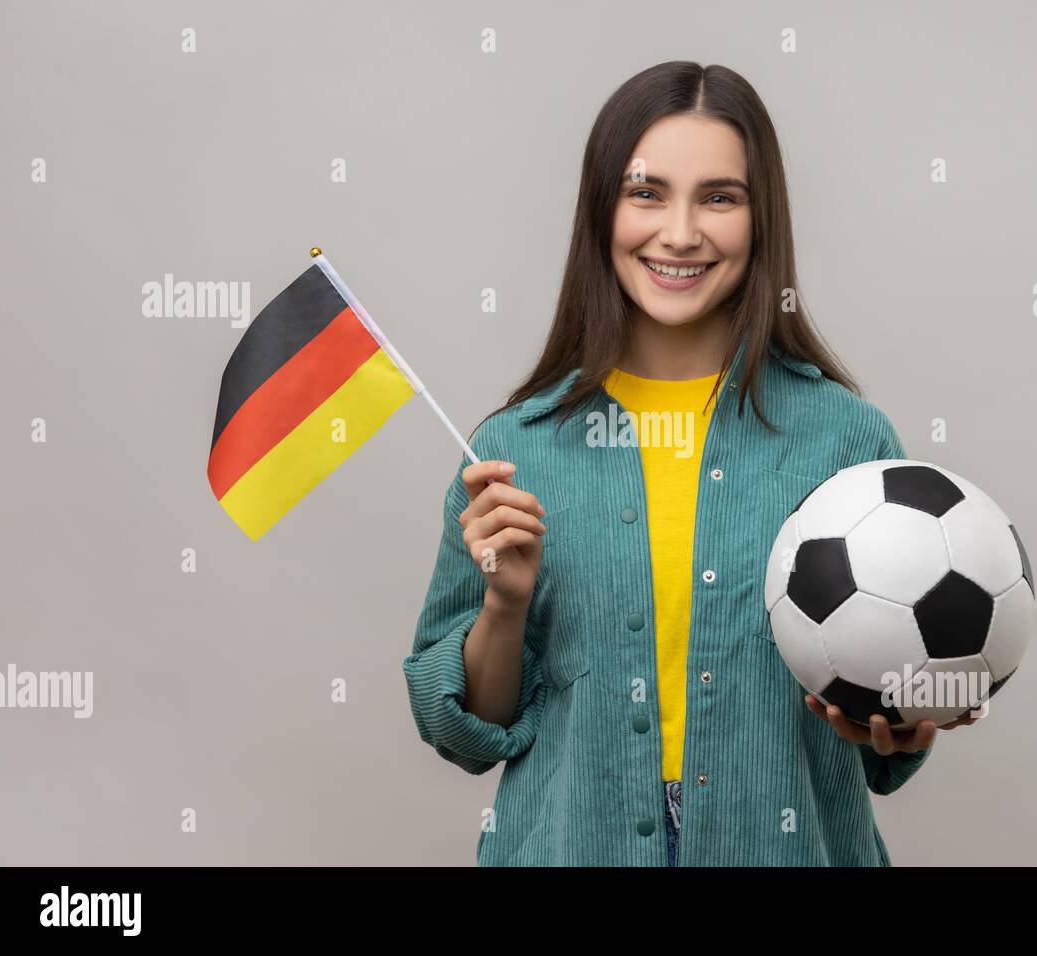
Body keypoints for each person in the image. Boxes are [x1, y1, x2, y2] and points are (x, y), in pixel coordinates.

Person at [402, 61, 974, 867]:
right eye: (646, 193)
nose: (679, 233)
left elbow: (890, 739)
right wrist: (503, 603)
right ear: (602, 210)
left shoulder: (845, 440)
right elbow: (464, 734)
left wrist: (907, 718)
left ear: (759, 217)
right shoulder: (513, 449)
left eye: (719, 196)